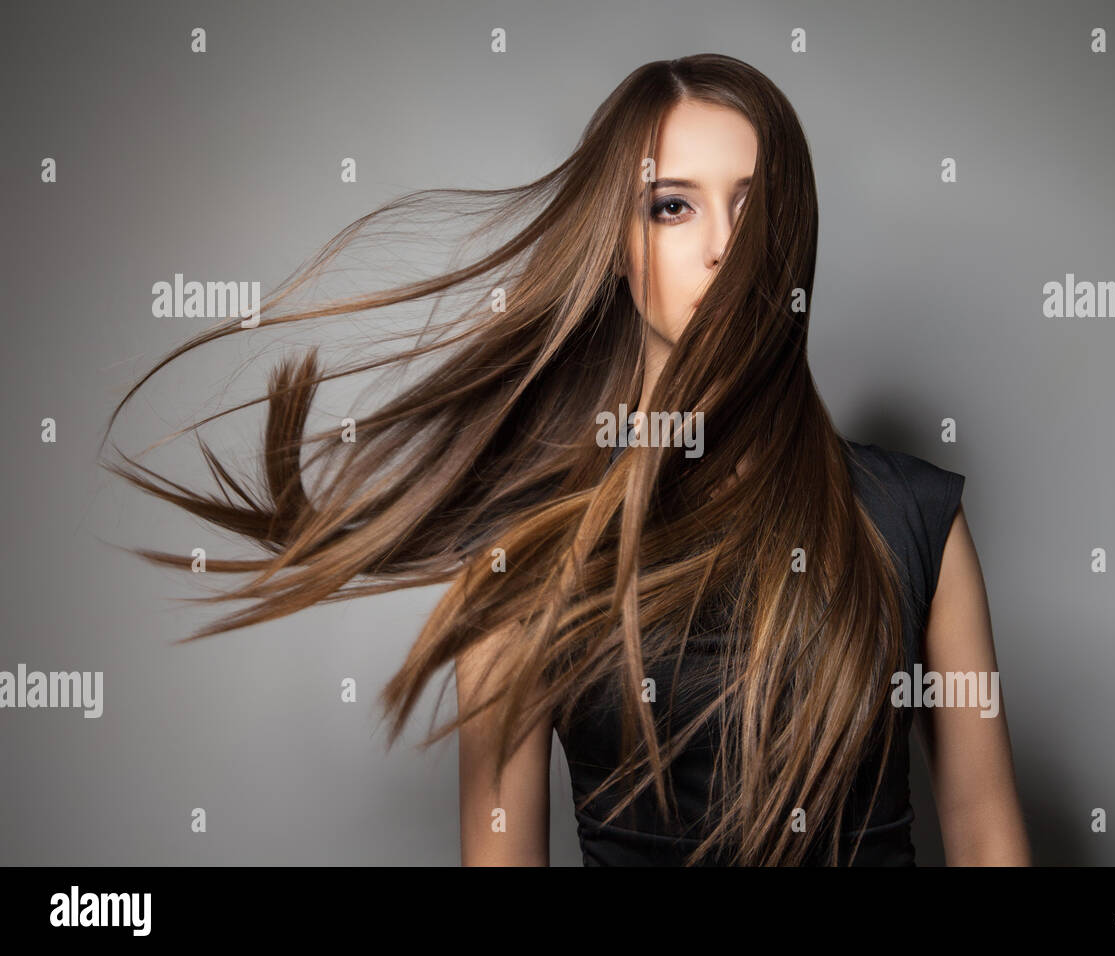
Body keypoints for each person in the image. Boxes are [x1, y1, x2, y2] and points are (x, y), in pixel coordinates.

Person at [100, 53, 1030, 866]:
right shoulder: (525, 550)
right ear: (619, 250)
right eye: (672, 207)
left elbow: (988, 838)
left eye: (753, 209)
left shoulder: (915, 518)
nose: (722, 248)